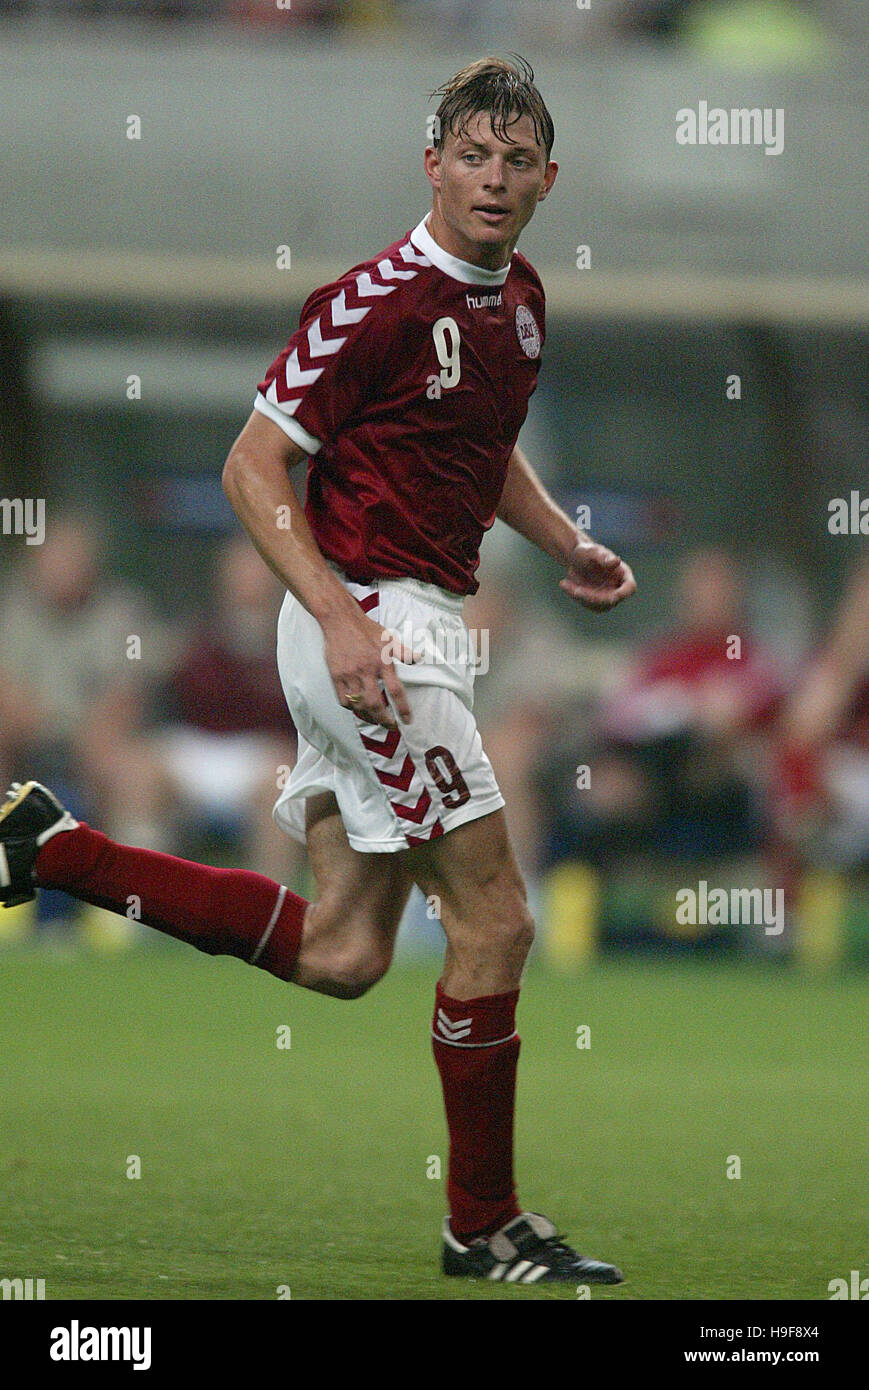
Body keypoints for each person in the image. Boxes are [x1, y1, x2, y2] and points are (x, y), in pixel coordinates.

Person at [1, 57, 636, 1285]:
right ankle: (484, 1220)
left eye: (516, 162)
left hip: (423, 621)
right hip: (369, 628)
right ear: (432, 164)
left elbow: (482, 443)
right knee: (496, 923)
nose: (492, 179)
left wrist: (565, 541)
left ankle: (53, 848)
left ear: (547, 180)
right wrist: (343, 622)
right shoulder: (373, 301)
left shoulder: (520, 302)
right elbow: (253, 466)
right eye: (472, 155)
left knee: (344, 953)